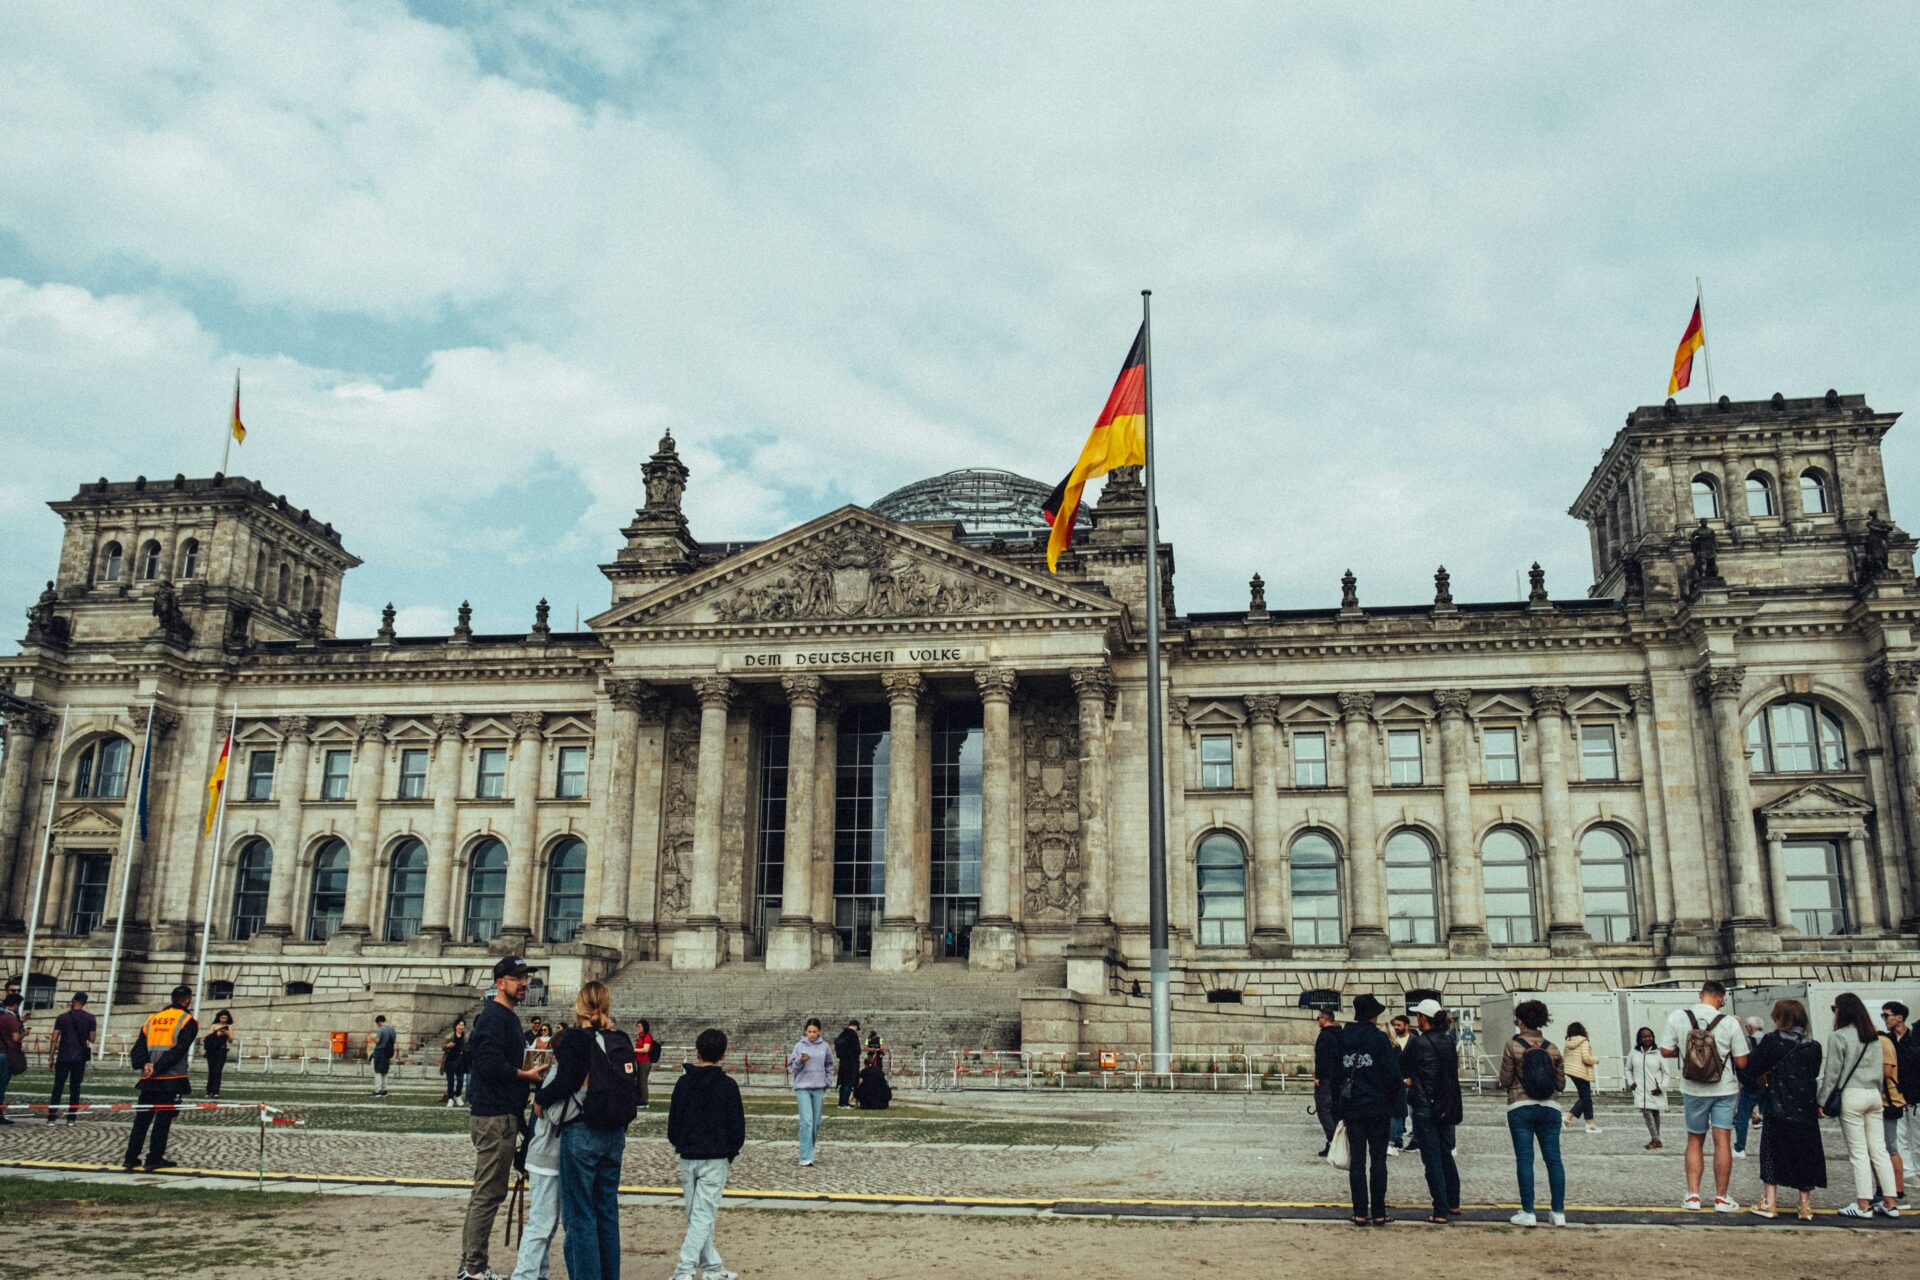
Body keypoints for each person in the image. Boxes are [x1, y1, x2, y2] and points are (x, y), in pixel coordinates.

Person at [535, 980, 637, 1280]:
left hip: (582, 1132)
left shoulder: (576, 1039)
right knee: (606, 1212)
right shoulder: (620, 1038)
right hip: (614, 1133)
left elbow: (566, 1081)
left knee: (580, 1216)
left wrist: (540, 1098)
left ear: (579, 1007)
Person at [459, 956, 546, 1280]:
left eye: (525, 977)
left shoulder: (506, 1016)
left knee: (486, 1192)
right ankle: (473, 1267)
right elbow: (489, 1065)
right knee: (489, 1193)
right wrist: (527, 1075)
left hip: (503, 1114)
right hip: (494, 1116)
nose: (524, 983)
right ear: (500, 983)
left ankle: (470, 1262)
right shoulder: (495, 1017)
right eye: (517, 977)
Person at [1658, 978, 1751, 1212]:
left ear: (1701, 994)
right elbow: (1741, 1061)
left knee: (1695, 1140)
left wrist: (1690, 1052)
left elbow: (1665, 1050)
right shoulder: (1729, 1022)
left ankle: (1693, 1196)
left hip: (1693, 1089)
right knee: (1722, 1141)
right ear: (1721, 998)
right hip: (1724, 1089)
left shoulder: (1679, 1017)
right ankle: (1721, 1199)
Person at [667, 1028, 745, 1280]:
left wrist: (680, 1142)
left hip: (689, 1156)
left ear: (697, 1051)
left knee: (697, 1214)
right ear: (723, 1055)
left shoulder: (683, 1083)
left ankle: (711, 1266)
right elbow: (738, 1126)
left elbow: (673, 1123)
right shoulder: (728, 1086)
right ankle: (685, 1269)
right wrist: (730, 1151)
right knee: (701, 1215)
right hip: (715, 1157)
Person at [1818, 991, 1898, 1219]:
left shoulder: (1839, 1036)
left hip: (1852, 1095)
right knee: (1879, 1150)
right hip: (1873, 1093)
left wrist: (1822, 1101)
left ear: (1841, 1011)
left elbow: (1832, 1074)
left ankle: (1863, 1204)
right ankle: (1890, 1202)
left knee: (1859, 1152)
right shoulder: (1873, 1036)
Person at [1742, 999, 1824, 1221]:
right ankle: (1805, 1206)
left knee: (1771, 1152)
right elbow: (1813, 1074)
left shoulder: (1772, 1041)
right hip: (1804, 1108)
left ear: (1781, 1019)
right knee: (1804, 1153)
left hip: (1776, 1105)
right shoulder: (1814, 1046)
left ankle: (1770, 1203)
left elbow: (1752, 1068)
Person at [1328, 992, 1402, 1226]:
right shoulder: (1379, 1039)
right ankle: (1378, 1212)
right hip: (1378, 1108)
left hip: (1353, 1109)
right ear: (1372, 1015)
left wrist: (1338, 1110)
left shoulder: (1342, 1038)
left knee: (1357, 1162)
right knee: (1378, 1162)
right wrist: (1394, 1106)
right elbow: (1393, 1075)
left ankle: (1360, 1212)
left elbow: (1335, 1076)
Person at [1497, 997, 1567, 1227]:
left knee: (1525, 1160)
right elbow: (1560, 1085)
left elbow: (1505, 1079)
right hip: (1550, 1108)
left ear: (1521, 1021)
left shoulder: (1513, 1045)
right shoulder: (1553, 1048)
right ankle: (1558, 1213)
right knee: (1554, 1160)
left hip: (1521, 1106)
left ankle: (1528, 1212)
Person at [123, 985, 198, 1172]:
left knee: (141, 1120)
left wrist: (146, 1064)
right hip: (171, 1078)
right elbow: (179, 1049)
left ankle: (131, 1157)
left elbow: (139, 1047)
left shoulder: (152, 1019)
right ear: (187, 1000)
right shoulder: (187, 1020)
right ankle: (154, 1157)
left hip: (148, 1078)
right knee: (162, 1121)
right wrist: (158, 1067)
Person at [1403, 998, 1462, 1224]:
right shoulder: (1448, 1040)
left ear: (1423, 1019)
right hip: (1446, 1105)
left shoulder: (1418, 1042)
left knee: (1432, 1159)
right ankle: (1454, 1202)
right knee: (1446, 1154)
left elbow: (1405, 1065)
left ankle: (1439, 1210)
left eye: (1418, 1015)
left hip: (1425, 1105)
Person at [1884, 1001, 1918, 1207]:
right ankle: (1908, 1174)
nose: (1885, 1019)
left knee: (1918, 1136)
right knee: (1899, 1137)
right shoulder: (1887, 1040)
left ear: (1899, 1017)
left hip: (1915, 1095)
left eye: (1887, 1015)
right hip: (1896, 1096)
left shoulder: (1914, 1037)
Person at [787, 1016, 832, 1166]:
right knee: (807, 1121)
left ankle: (808, 1151)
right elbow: (791, 1068)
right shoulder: (799, 1046)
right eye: (809, 1031)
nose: (811, 1034)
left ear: (819, 1032)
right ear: (806, 1031)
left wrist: (828, 1081)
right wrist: (801, 1061)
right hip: (803, 1088)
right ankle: (805, 1157)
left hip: (819, 1087)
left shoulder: (825, 1046)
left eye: (814, 1031)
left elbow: (829, 1065)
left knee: (816, 1123)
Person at [48, 991, 97, 1123]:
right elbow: (92, 1039)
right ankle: (71, 1118)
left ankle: (51, 1117)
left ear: (73, 1000)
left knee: (58, 1086)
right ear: (85, 1003)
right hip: (79, 1057)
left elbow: (54, 1038)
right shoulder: (90, 1018)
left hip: (63, 1056)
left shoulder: (62, 1017)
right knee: (75, 1087)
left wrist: (51, 1057)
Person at [1626, 1025, 1667, 1150]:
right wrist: (1631, 1081)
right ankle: (1656, 1139)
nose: (1647, 1039)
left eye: (1649, 1036)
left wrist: (1661, 1086)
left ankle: (1656, 1140)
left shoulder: (1658, 1053)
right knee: (1646, 1112)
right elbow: (1628, 1068)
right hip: (1640, 1090)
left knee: (1655, 1113)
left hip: (1654, 1089)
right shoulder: (1634, 1052)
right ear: (1639, 1039)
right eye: (1644, 1037)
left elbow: (1666, 1072)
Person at [1733, 1015, 1767, 1159]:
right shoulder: (1769, 1040)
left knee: (1742, 1116)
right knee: (1769, 1116)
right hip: (1767, 1083)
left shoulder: (1747, 1041)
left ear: (1750, 1028)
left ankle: (1740, 1148)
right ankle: (1773, 1146)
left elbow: (1741, 1061)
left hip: (1750, 1083)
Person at [1311, 1008, 1341, 1157]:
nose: (1318, 1020)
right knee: (1334, 1110)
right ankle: (1335, 1140)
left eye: (1319, 1018)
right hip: (1338, 1079)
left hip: (1326, 1079)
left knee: (1323, 1109)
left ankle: (1333, 1140)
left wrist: (1318, 1076)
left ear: (1325, 1018)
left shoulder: (1325, 1036)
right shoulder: (1341, 1033)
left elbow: (1321, 1058)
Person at [1563, 1021, 1600, 1134]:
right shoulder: (1584, 1041)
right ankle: (1567, 1118)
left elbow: (1564, 1056)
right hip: (1581, 1071)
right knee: (1585, 1097)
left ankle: (1589, 1124)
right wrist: (1596, 1059)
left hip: (1572, 1072)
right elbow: (1586, 1058)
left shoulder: (1567, 1043)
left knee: (1585, 1097)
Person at [1386, 1013, 1416, 1153]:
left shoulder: (1414, 1040)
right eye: (1394, 1025)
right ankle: (1398, 1136)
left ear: (1407, 1025)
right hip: (1397, 1081)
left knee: (1412, 1110)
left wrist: (1412, 1078)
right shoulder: (1392, 1041)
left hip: (1410, 1081)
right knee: (1398, 1110)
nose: (1396, 1027)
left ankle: (1416, 1139)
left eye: (1399, 1025)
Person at [202, 1008, 235, 1099]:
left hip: (222, 1051)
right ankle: (208, 1091)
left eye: (225, 1018)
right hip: (212, 1051)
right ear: (219, 1018)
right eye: (222, 1018)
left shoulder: (229, 1027)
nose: (223, 1020)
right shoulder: (214, 1026)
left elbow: (231, 1040)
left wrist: (228, 1034)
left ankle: (216, 1091)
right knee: (211, 1071)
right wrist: (216, 1033)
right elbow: (208, 1038)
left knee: (218, 1071)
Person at [0, 992, 22, 1125]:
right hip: (4, 1054)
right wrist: (23, 1033)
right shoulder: (10, 1018)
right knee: (1, 1086)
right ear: (15, 1005)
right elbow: (15, 1038)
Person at [855, 1031, 892, 1110]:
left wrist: (877, 1049)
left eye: (874, 1037)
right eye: (872, 1037)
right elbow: (865, 1048)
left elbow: (882, 1047)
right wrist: (871, 1049)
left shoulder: (879, 1039)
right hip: (871, 1054)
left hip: (878, 1055)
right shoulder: (868, 1039)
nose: (873, 1038)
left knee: (878, 1065)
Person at [834, 1018, 861, 1108]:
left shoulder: (842, 1034)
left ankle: (840, 1103)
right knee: (849, 1083)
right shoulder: (853, 1035)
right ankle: (845, 1103)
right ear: (856, 1027)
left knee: (842, 1083)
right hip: (852, 1063)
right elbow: (857, 1050)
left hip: (843, 1062)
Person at [368, 1013, 397, 1097]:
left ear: (379, 1022)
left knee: (377, 1071)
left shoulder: (381, 1029)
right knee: (385, 1071)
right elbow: (394, 1041)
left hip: (380, 1051)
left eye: (377, 1024)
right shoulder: (392, 1029)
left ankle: (377, 1090)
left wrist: (372, 1038)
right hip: (389, 1052)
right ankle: (384, 1090)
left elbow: (377, 1041)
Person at [442, 1017, 468, 1107]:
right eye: (459, 1025)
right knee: (450, 1082)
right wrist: (447, 1045)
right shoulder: (450, 1036)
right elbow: (443, 1047)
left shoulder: (465, 1037)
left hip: (460, 1061)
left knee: (460, 1081)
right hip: (450, 1061)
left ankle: (458, 1096)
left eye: (463, 1025)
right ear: (455, 1026)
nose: (461, 1027)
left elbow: (467, 1047)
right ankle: (450, 1098)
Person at [634, 1018, 657, 1108]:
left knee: (643, 1081)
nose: (637, 1028)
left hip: (644, 1062)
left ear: (644, 1027)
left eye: (639, 1026)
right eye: (637, 1026)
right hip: (639, 1061)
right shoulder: (640, 1036)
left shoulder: (647, 1037)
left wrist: (634, 1050)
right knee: (639, 1081)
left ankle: (644, 1101)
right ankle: (639, 1100)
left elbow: (645, 1049)